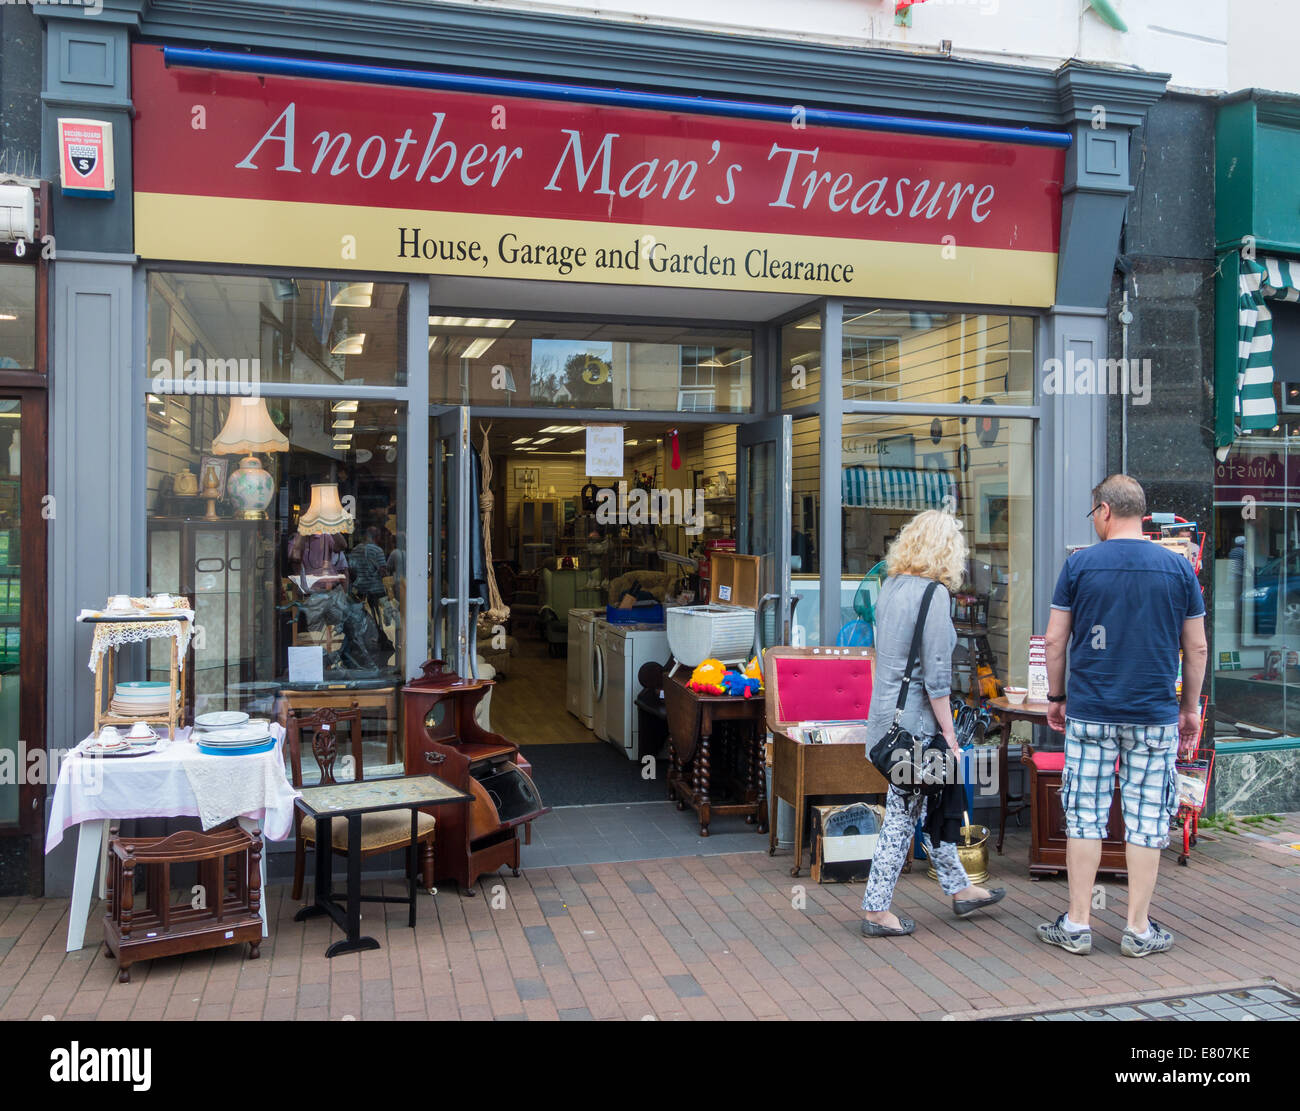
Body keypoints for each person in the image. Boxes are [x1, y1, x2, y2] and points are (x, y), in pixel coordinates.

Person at [1039, 474, 1207, 958]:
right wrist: (1189, 709)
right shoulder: (1178, 570)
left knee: (1086, 816)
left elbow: (1054, 641)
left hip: (1091, 710)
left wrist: (1056, 695)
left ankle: (1076, 923)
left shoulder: (1080, 566)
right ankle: (1137, 928)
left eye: (1093, 514)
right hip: (1153, 714)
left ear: (1105, 511)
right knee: (1146, 819)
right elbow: (1195, 647)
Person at [861, 509, 1005, 938]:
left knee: (936, 802)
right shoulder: (934, 594)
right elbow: (938, 678)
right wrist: (949, 734)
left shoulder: (890, 587)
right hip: (918, 728)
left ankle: (961, 890)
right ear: (947, 551)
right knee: (904, 815)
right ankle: (875, 911)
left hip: (885, 724)